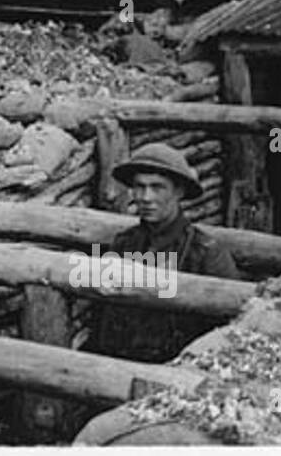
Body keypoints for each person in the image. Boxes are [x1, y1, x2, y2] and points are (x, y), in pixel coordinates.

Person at [79, 142, 240, 363]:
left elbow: (228, 329)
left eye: (157, 187)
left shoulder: (205, 253)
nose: (146, 197)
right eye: (139, 187)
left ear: (179, 191)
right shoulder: (123, 245)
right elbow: (102, 316)